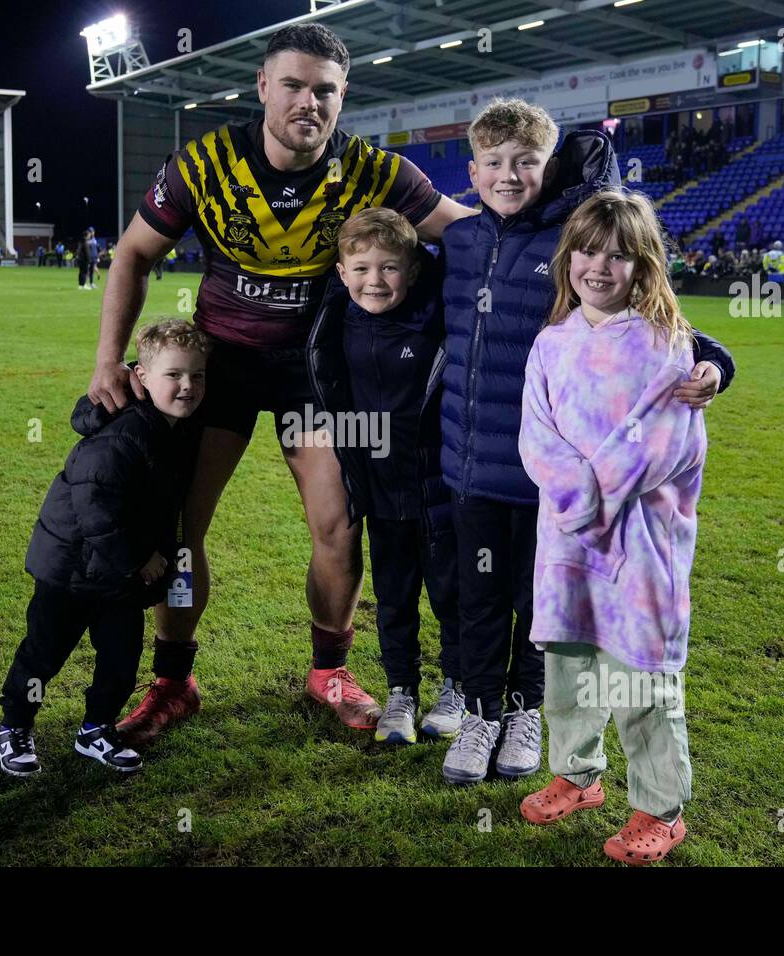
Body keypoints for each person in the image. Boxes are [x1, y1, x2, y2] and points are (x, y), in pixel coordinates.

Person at [87, 23, 476, 749]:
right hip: (219, 372)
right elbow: (133, 254)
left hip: (318, 378)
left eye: (324, 90)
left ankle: (329, 671)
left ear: (342, 96)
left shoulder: (374, 170)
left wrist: (562, 235)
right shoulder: (203, 163)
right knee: (178, 533)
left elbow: (467, 234)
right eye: (293, 85)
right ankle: (174, 681)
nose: (309, 101)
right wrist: (110, 359)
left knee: (337, 525)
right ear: (262, 88)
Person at [436, 99, 734, 786]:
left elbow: (665, 325)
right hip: (472, 468)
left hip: (549, 486)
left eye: (525, 164)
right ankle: (481, 714)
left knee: (546, 608)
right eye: (494, 165)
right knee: (475, 603)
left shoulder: (574, 241)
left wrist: (717, 364)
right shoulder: (457, 243)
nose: (509, 177)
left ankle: (525, 713)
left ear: (548, 169)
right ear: (473, 173)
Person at [516, 189, 707, 865]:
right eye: (589, 251)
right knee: (569, 664)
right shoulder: (549, 343)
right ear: (569, 257)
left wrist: (593, 496)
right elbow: (536, 436)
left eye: (619, 256)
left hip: (639, 543)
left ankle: (661, 807)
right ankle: (577, 773)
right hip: (566, 542)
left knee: (637, 675)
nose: (600, 267)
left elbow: (669, 441)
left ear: (644, 267)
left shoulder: (667, 345)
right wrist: (572, 498)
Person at [0, 320, 209, 777]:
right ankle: (14, 726)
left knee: (120, 661)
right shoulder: (123, 432)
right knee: (44, 654)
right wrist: (139, 558)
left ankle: (96, 729)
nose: (187, 386)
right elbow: (94, 506)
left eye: (197, 375)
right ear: (142, 376)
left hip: (119, 581)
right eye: (173, 375)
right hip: (71, 573)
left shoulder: (176, 429)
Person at [308, 208, 463, 744]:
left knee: (450, 592)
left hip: (437, 481)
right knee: (394, 596)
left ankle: (456, 688)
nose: (375, 280)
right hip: (379, 484)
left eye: (390, 268)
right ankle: (400, 690)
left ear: (414, 271)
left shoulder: (433, 310)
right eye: (362, 268)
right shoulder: (335, 315)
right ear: (341, 272)